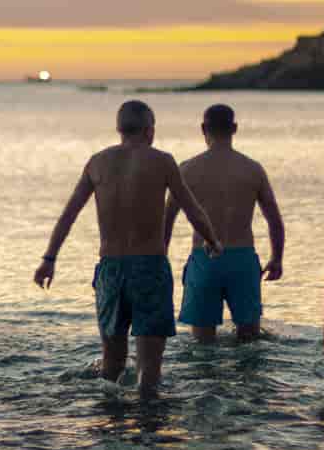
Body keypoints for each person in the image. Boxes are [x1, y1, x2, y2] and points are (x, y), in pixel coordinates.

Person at [35, 99, 223, 396]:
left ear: (119, 129)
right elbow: (192, 209)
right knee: (149, 370)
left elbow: (69, 214)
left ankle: (112, 431)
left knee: (112, 364)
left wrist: (49, 259)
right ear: (150, 130)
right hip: (149, 267)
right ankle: (147, 432)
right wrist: (212, 241)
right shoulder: (161, 161)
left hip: (111, 271)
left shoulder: (97, 162)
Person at [162, 103, 285, 342]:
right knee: (249, 342)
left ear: (203, 129)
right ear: (235, 128)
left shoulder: (187, 170)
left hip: (204, 260)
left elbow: (166, 222)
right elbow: (275, 221)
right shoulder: (252, 169)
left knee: (202, 346)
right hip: (242, 260)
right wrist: (276, 258)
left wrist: (160, 261)